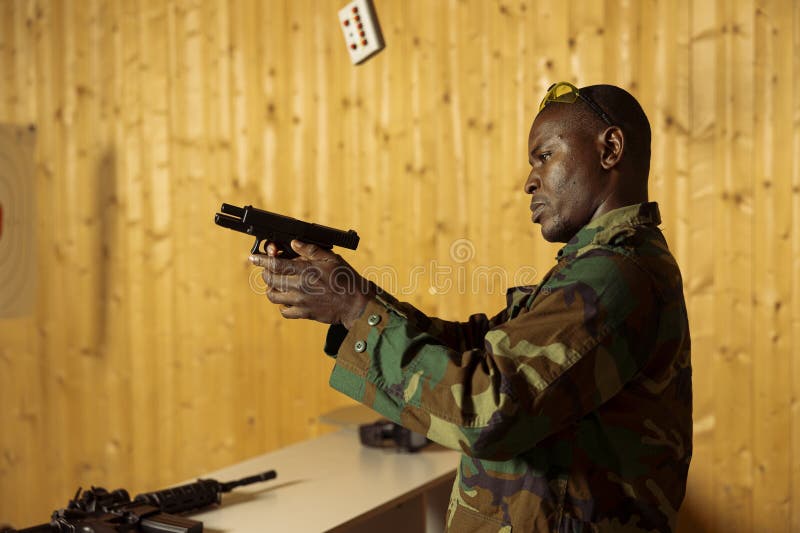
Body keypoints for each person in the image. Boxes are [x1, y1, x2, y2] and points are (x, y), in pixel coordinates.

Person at [249, 82, 692, 532]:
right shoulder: (597, 267)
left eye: (545, 156)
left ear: (610, 149)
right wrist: (352, 296)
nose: (530, 181)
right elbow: (473, 349)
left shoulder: (616, 274)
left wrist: (352, 308)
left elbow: (490, 410)